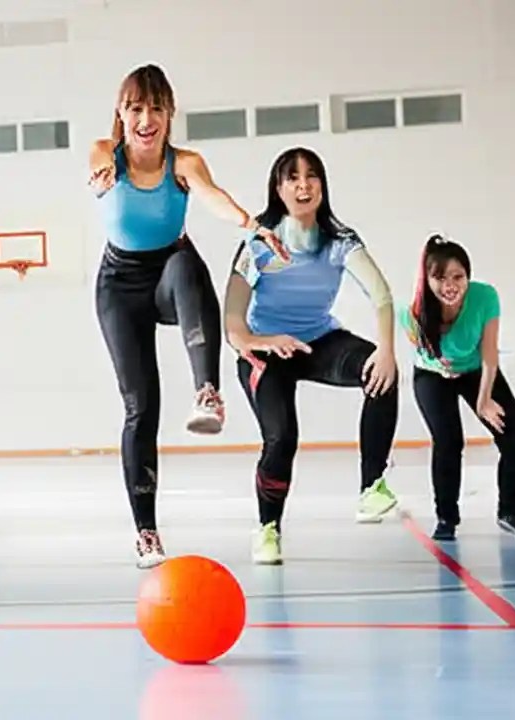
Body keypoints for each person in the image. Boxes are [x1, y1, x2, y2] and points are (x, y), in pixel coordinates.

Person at [87, 63, 290, 568]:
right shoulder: (104, 153)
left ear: (169, 114)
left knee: (185, 261)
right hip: (119, 285)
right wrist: (100, 177)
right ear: (121, 113)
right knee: (141, 408)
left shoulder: (185, 163)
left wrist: (251, 226)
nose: (146, 119)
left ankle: (208, 390)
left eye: (156, 108)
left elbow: (212, 198)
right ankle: (147, 532)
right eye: (136, 108)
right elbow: (95, 172)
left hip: (170, 275)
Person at [223, 146, 401, 565]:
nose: (303, 185)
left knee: (380, 370)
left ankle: (371, 488)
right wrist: (259, 341)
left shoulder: (340, 241)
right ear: (278, 188)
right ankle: (268, 529)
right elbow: (232, 321)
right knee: (282, 437)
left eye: (312, 176)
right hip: (266, 350)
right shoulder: (260, 241)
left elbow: (381, 295)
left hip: (319, 341)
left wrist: (388, 350)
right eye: (292, 178)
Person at [400, 235, 515, 541]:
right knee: (449, 442)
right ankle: (446, 518)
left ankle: (509, 513)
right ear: (427, 279)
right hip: (433, 376)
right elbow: (429, 359)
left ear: (468, 277)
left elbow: (490, 353)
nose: (450, 285)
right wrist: (442, 367)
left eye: (458, 277)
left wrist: (484, 399)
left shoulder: (485, 297)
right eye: (440, 278)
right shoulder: (412, 314)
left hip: (477, 370)